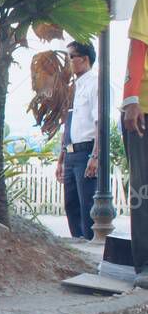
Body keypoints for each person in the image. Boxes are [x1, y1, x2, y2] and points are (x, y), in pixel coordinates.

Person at [55, 41, 98, 241]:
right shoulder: (75, 87)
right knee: (71, 205)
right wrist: (61, 159)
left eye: (71, 56)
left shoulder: (96, 84)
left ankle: (91, 249)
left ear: (85, 59)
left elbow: (101, 123)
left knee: (87, 206)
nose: (68, 61)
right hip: (71, 154)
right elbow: (69, 124)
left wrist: (95, 157)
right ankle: (79, 247)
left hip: (87, 152)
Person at [122, 0, 148, 287]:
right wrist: (131, 98)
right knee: (144, 190)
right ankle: (145, 263)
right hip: (143, 108)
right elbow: (138, 47)